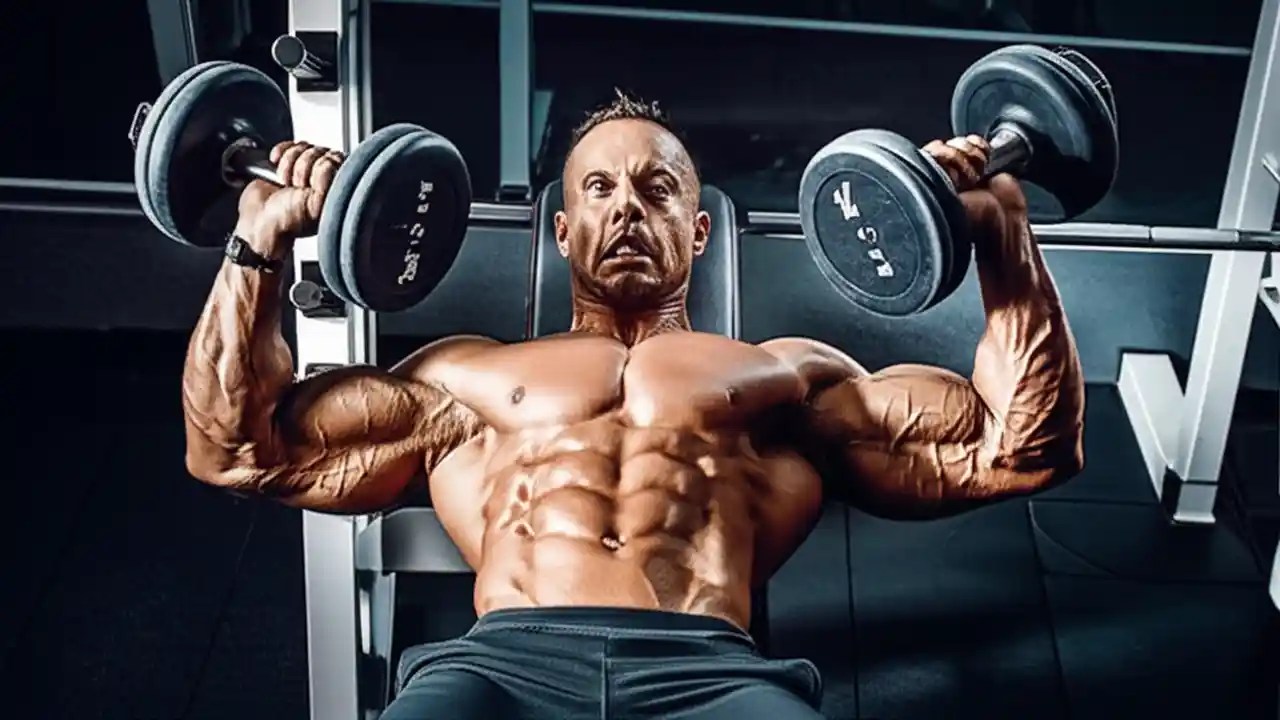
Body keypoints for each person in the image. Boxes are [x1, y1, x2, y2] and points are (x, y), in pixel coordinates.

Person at [182, 93, 1085, 719]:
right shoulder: (463, 379)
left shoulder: (789, 380)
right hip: (501, 670)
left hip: (711, 677)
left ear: (698, 230)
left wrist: (1003, 231)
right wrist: (257, 238)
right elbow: (234, 449)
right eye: (599, 191)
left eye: (657, 191)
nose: (626, 210)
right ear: (562, 230)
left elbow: (1021, 447)